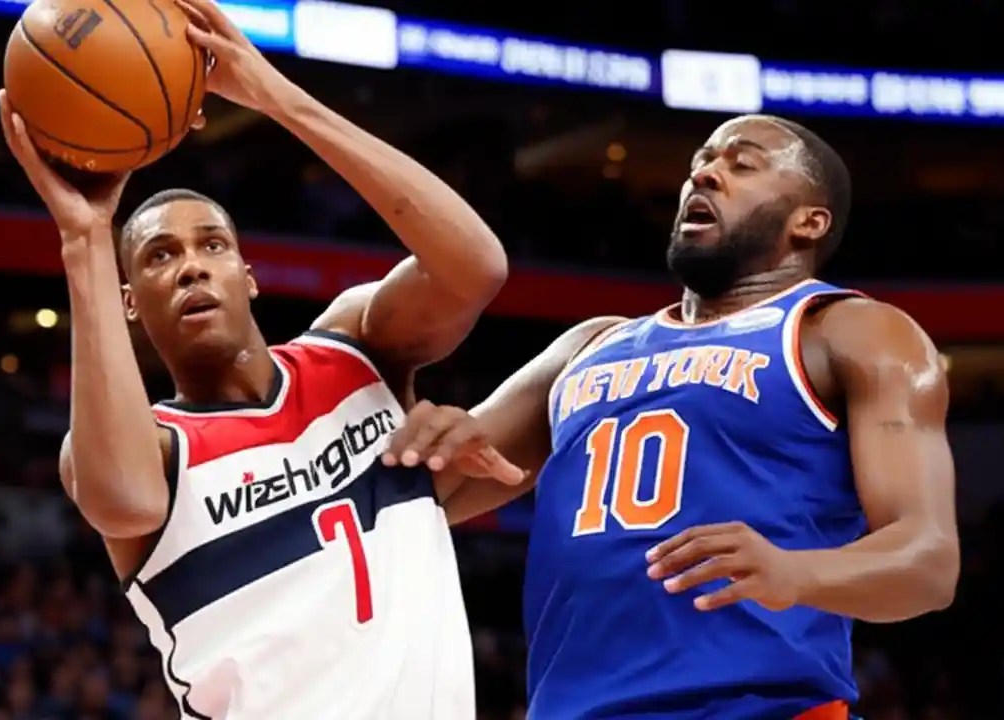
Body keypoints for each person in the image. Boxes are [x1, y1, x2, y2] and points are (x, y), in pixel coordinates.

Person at [0, 0, 514, 717]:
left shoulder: (353, 350)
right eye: (160, 256)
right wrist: (85, 236)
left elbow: (477, 267)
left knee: (592, 345)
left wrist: (278, 95)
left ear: (249, 275)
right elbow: (124, 502)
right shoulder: (153, 448)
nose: (190, 267)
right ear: (130, 304)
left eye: (213, 245)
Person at [383, 114, 960, 719]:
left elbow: (927, 560)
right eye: (700, 164)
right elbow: (407, 504)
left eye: (742, 164)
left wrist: (796, 572)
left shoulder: (848, 331)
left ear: (808, 221)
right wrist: (427, 438)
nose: (705, 174)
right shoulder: (590, 345)